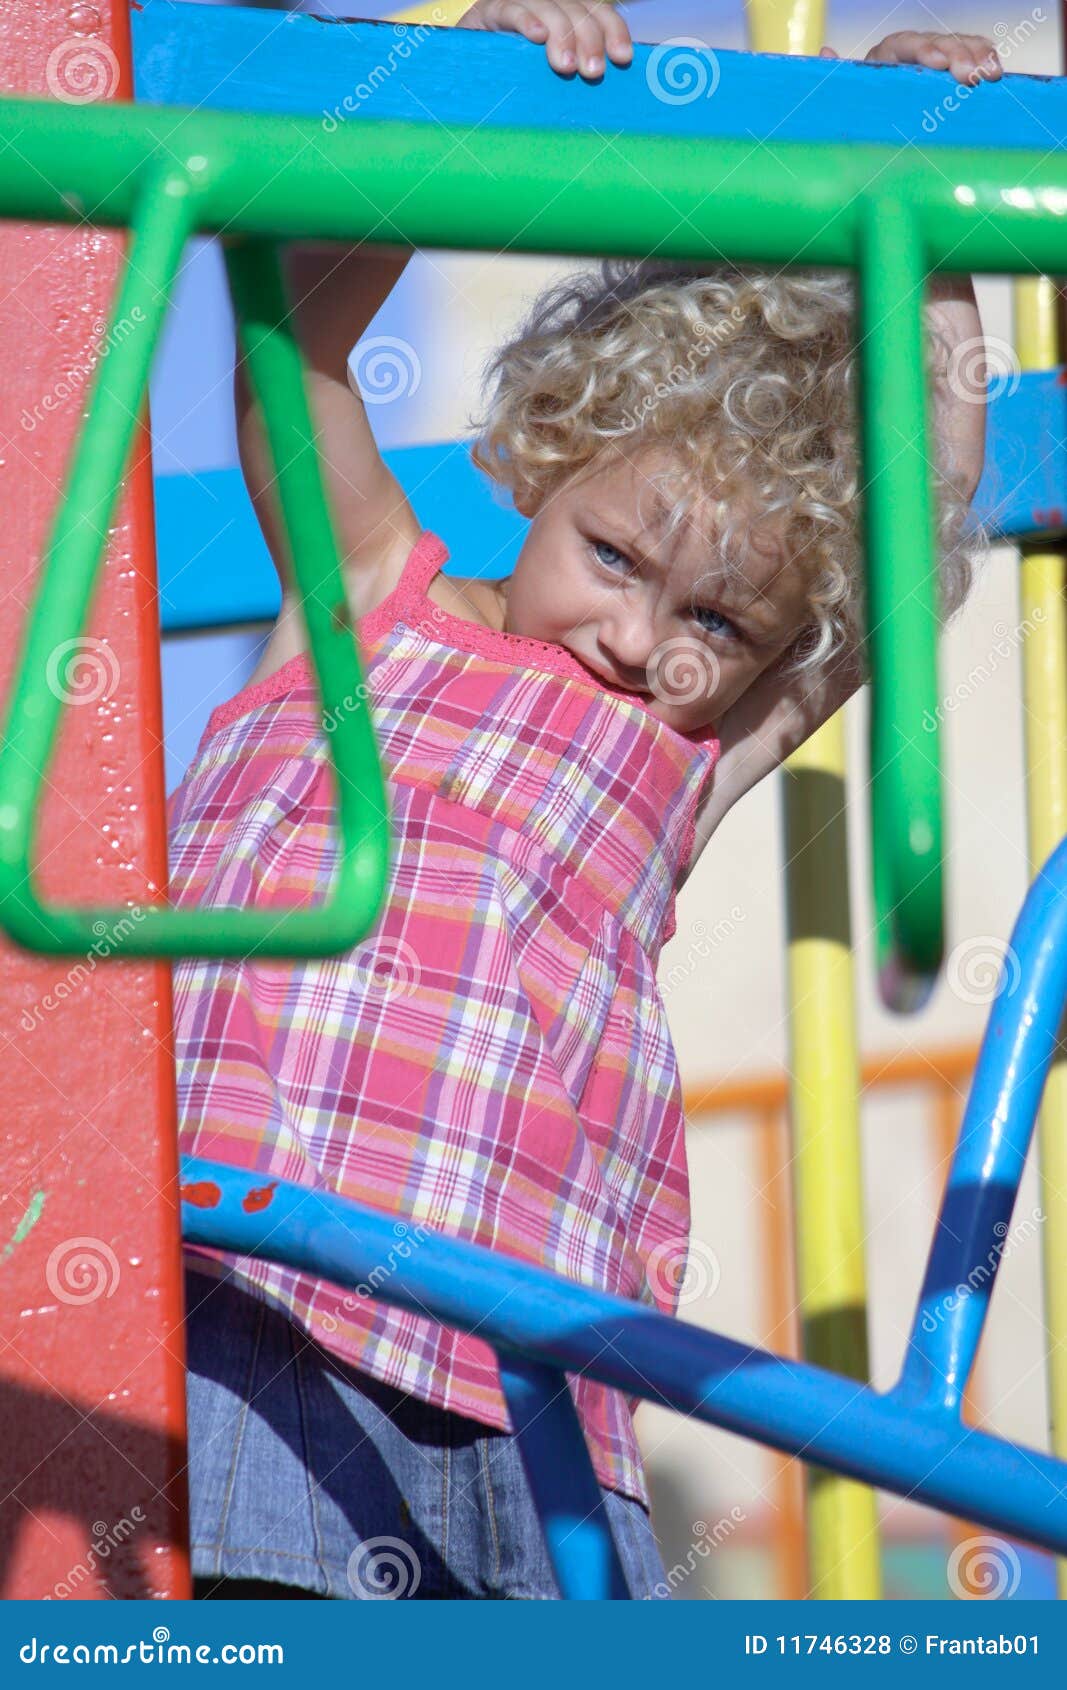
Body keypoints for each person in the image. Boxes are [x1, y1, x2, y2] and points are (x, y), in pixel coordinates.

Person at [170, 1, 1001, 1600]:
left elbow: (927, 513)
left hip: (511, 1358)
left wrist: (926, 214)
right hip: (249, 1279)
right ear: (551, 454)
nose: (639, 640)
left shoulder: (689, 756)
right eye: (614, 554)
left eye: (719, 626)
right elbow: (296, 345)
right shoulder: (369, 593)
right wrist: (470, 100)